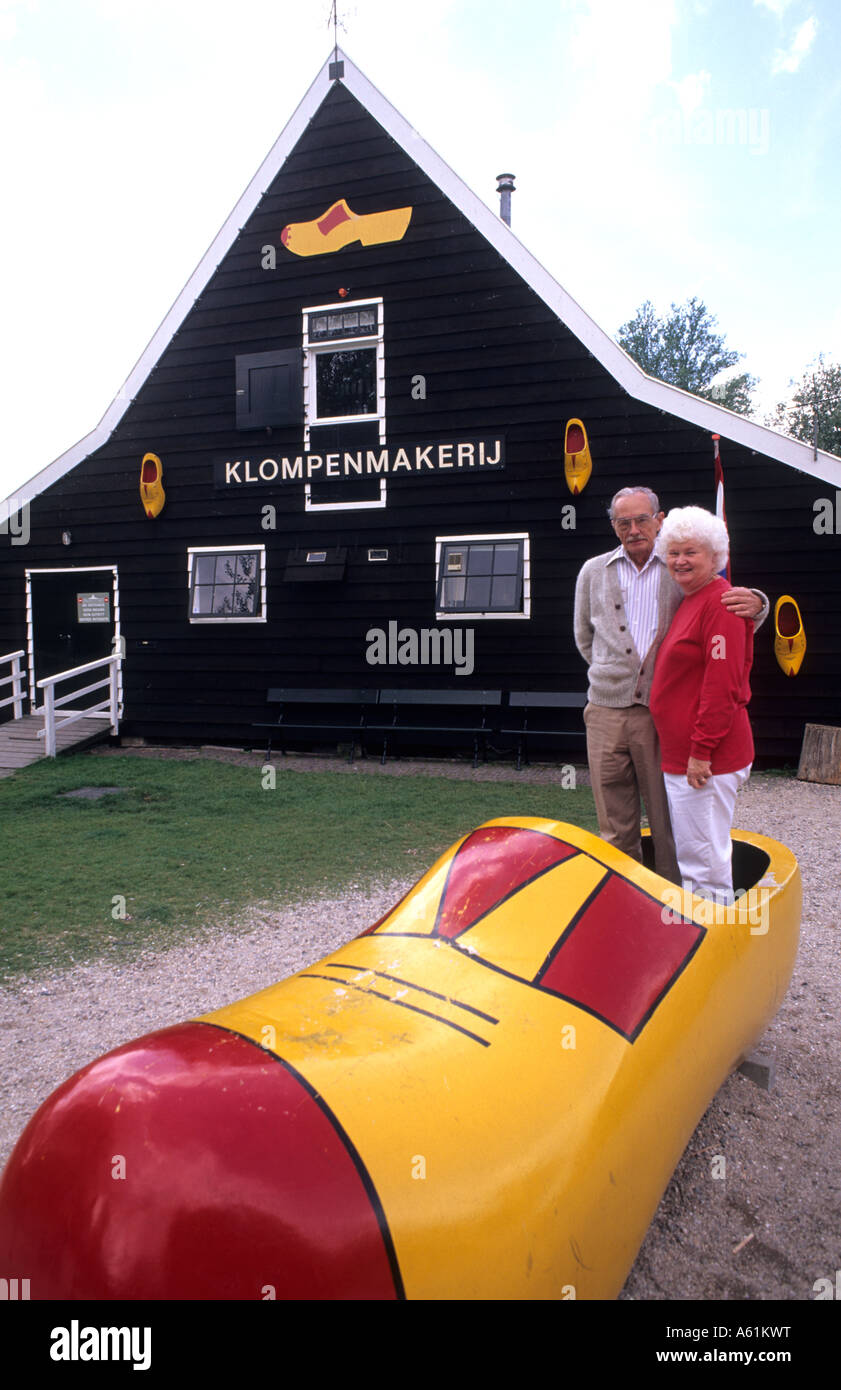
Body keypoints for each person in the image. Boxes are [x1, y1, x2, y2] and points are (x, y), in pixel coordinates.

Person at [574, 486, 767, 882]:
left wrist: (760, 603)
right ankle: (625, 900)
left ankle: (673, 906)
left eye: (642, 519)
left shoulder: (679, 565)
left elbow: (725, 612)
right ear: (613, 526)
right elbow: (584, 637)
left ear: (659, 521)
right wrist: (616, 678)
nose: (633, 529)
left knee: (669, 823)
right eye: (622, 522)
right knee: (614, 822)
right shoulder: (594, 572)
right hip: (605, 712)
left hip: (656, 719)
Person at [649, 507, 753, 902]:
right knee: (696, 854)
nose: (679, 560)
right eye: (673, 552)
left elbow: (721, 686)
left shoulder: (721, 602)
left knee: (704, 860)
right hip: (684, 754)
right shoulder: (691, 599)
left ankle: (716, 948)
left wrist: (701, 752)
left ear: (715, 556)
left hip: (707, 757)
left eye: (690, 552)